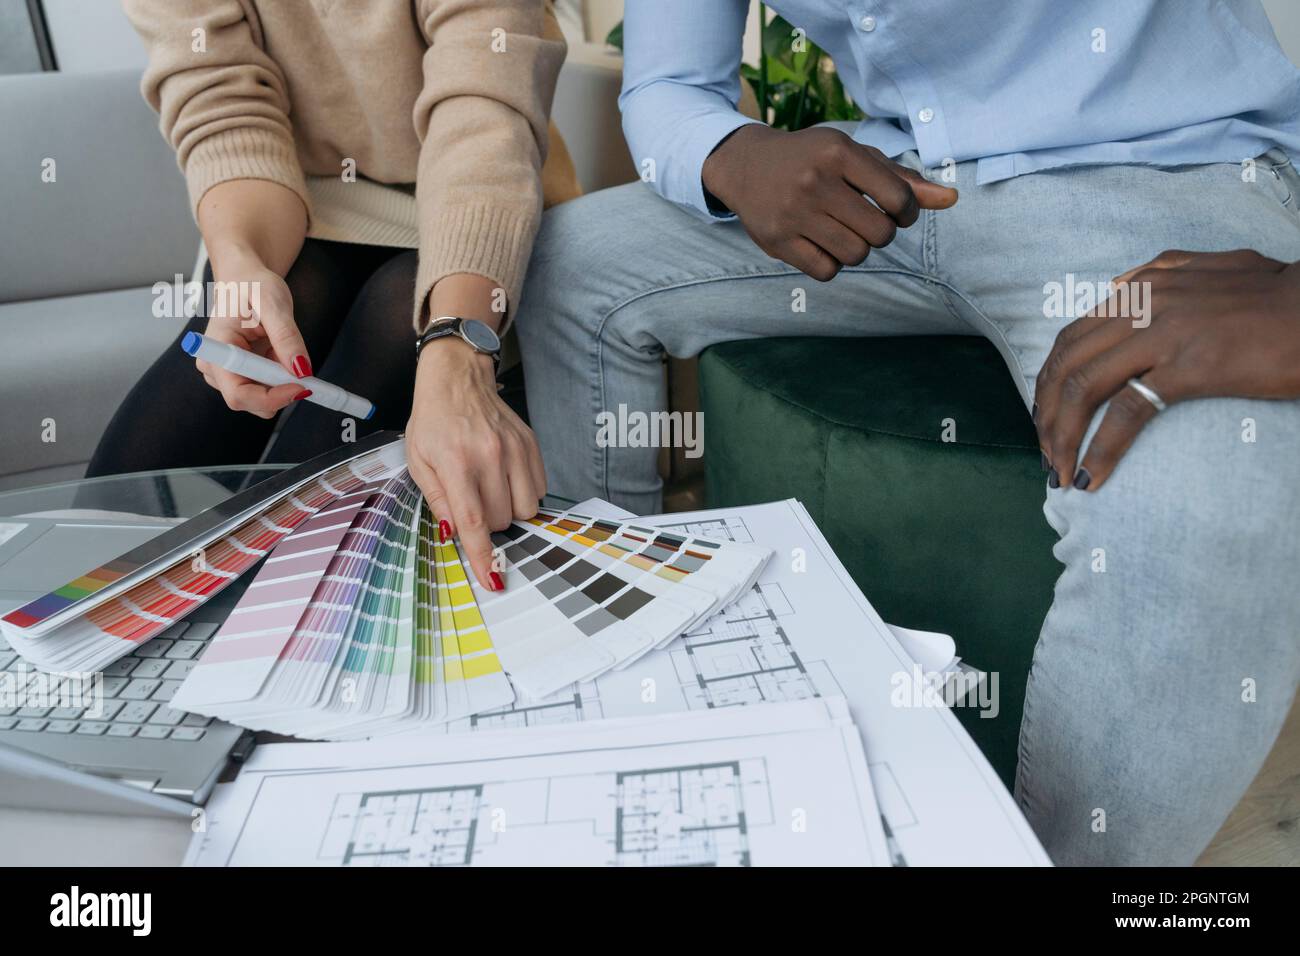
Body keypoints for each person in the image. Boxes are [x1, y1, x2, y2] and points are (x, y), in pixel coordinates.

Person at [514, 0, 1300, 864]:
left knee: (1201, 507)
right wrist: (730, 154)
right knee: (571, 264)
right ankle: (618, 707)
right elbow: (667, 87)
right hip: (898, 182)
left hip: (1168, 172)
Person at [88, 0, 579, 591]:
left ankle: (264, 623)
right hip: (296, 199)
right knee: (108, 523)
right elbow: (220, 104)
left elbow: (482, 112)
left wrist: (456, 341)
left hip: (469, 198)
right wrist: (242, 264)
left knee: (394, 327)